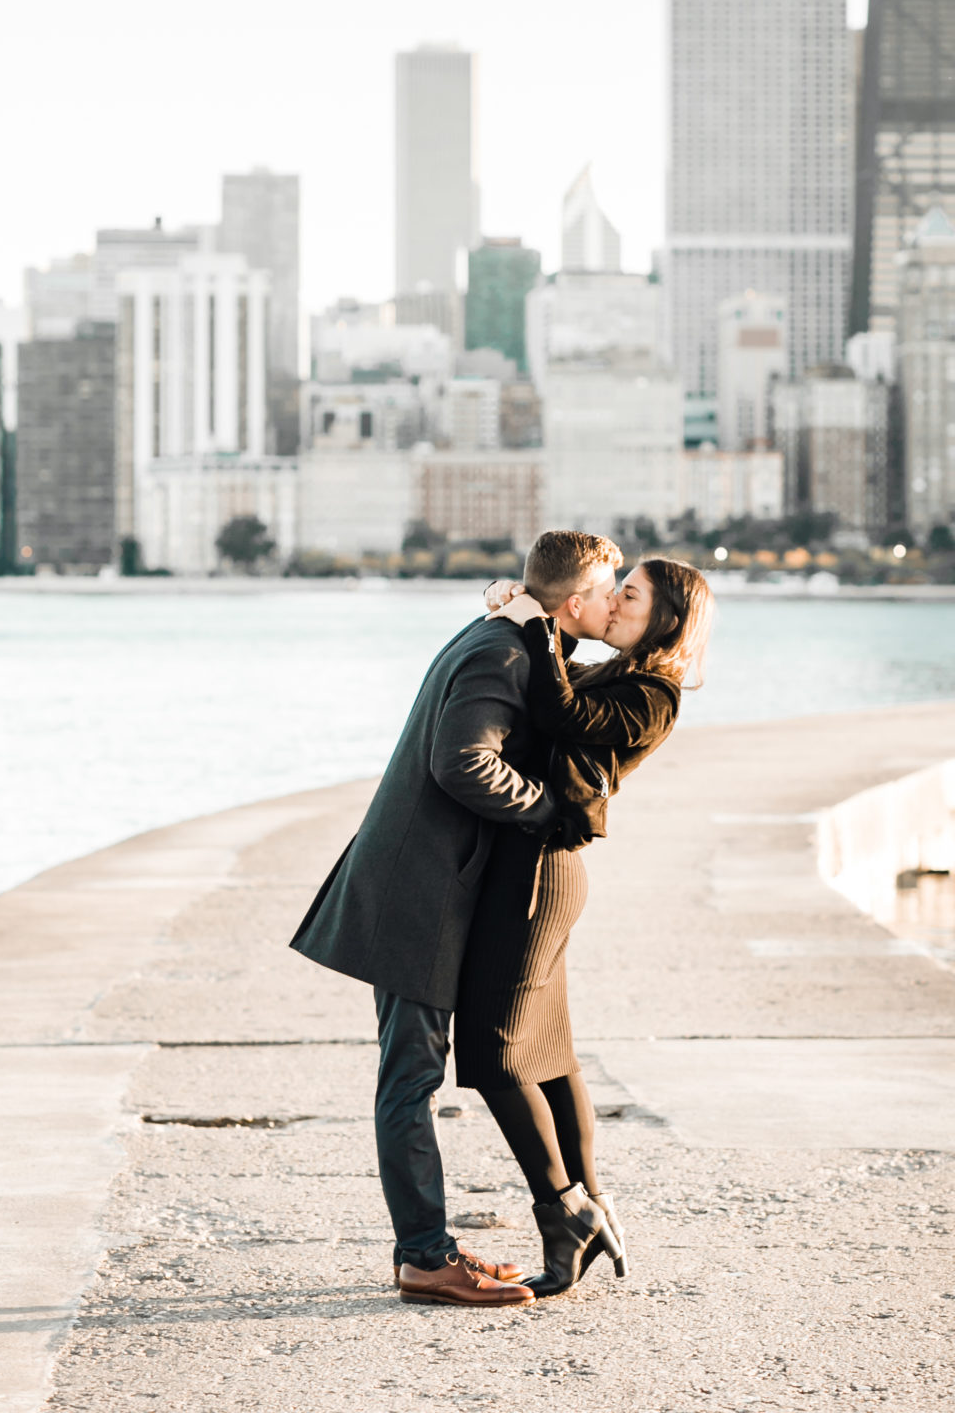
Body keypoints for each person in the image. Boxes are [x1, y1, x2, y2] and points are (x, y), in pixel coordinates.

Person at [289, 529, 623, 1308]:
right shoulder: (500, 654)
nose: (613, 604)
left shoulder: (513, 639)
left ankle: (428, 1248)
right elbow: (462, 760)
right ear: (576, 601)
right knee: (409, 1075)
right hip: (419, 892)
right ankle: (424, 1257)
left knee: (413, 1070)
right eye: (609, 591)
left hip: (431, 883)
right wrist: (548, 810)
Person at [453, 556, 714, 1298]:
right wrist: (523, 609)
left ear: (664, 618)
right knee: (547, 1052)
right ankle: (589, 1204)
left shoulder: (655, 696)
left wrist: (536, 624)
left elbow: (560, 712)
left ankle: (564, 1210)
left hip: (539, 875)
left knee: (495, 1054)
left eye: (629, 594)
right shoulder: (619, 673)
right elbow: (553, 684)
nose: (613, 601)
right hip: (539, 871)